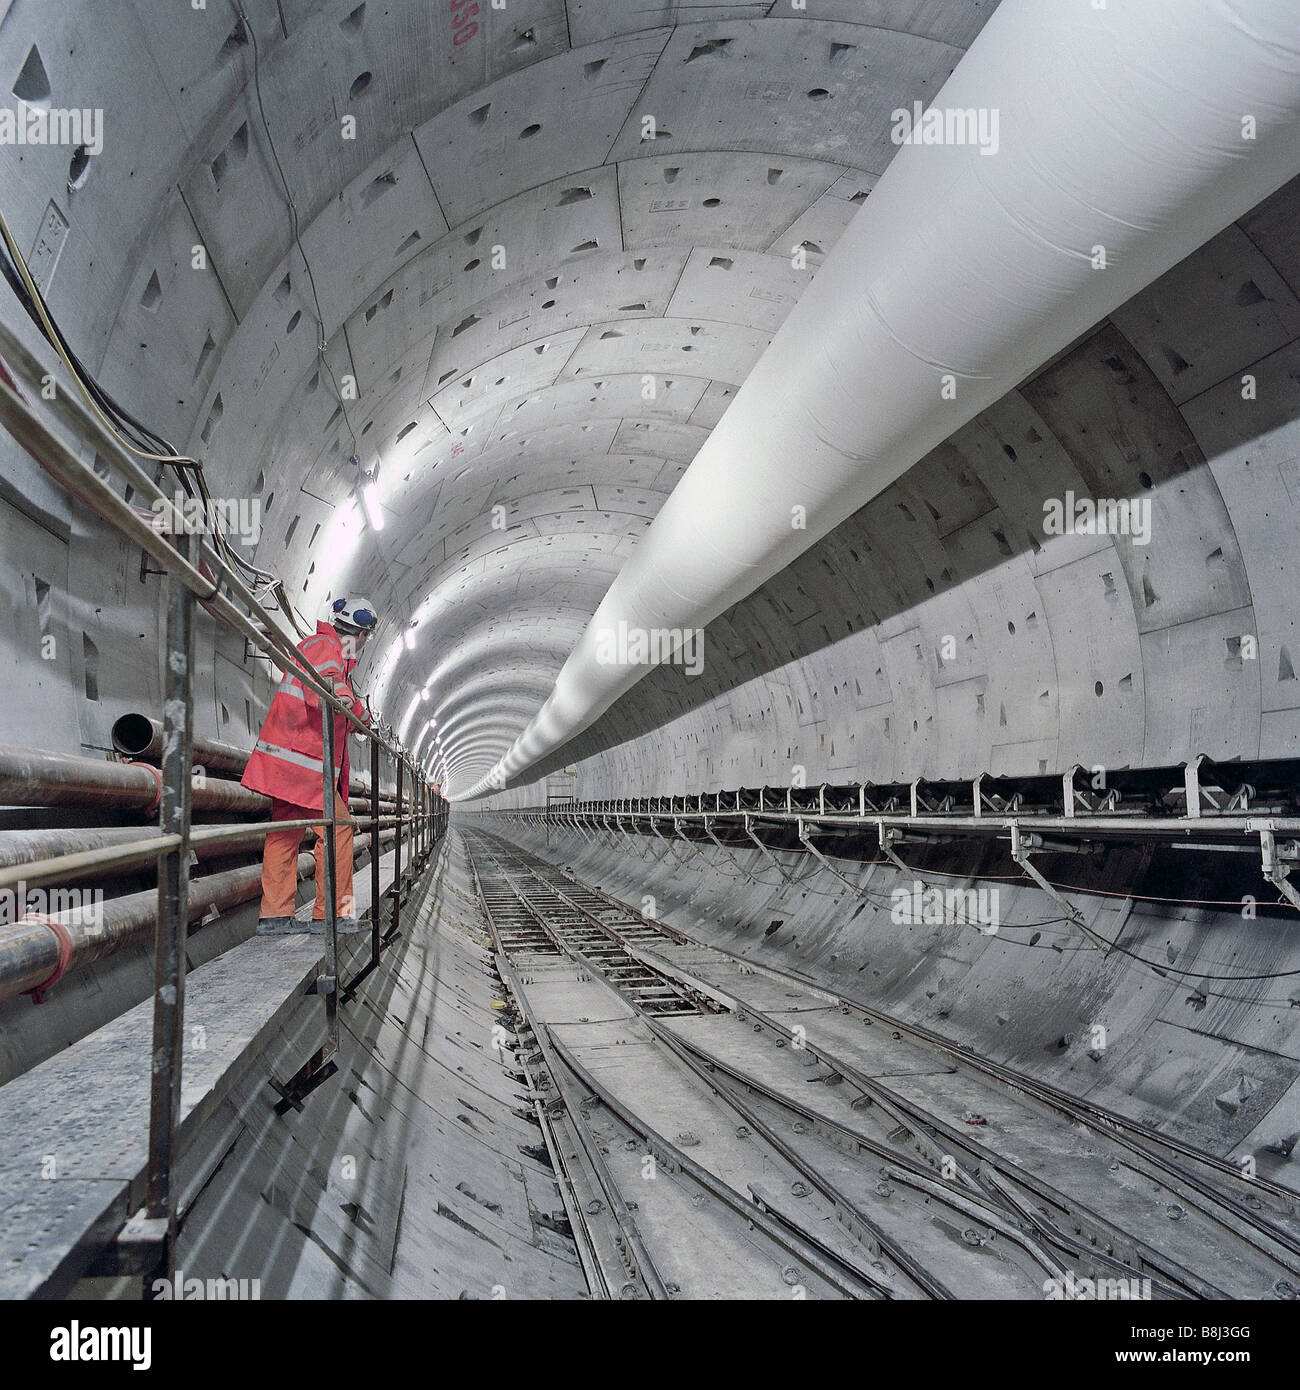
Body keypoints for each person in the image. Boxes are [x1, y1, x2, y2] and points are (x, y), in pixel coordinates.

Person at [242, 595, 377, 935]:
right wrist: (352, 704)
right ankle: (334, 913)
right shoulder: (324, 645)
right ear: (359, 635)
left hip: (289, 765)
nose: (361, 646)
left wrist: (360, 712)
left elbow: (338, 689)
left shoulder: (328, 650)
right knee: (339, 828)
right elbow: (327, 684)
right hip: (304, 766)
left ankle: (274, 915)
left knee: (284, 834)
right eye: (364, 639)